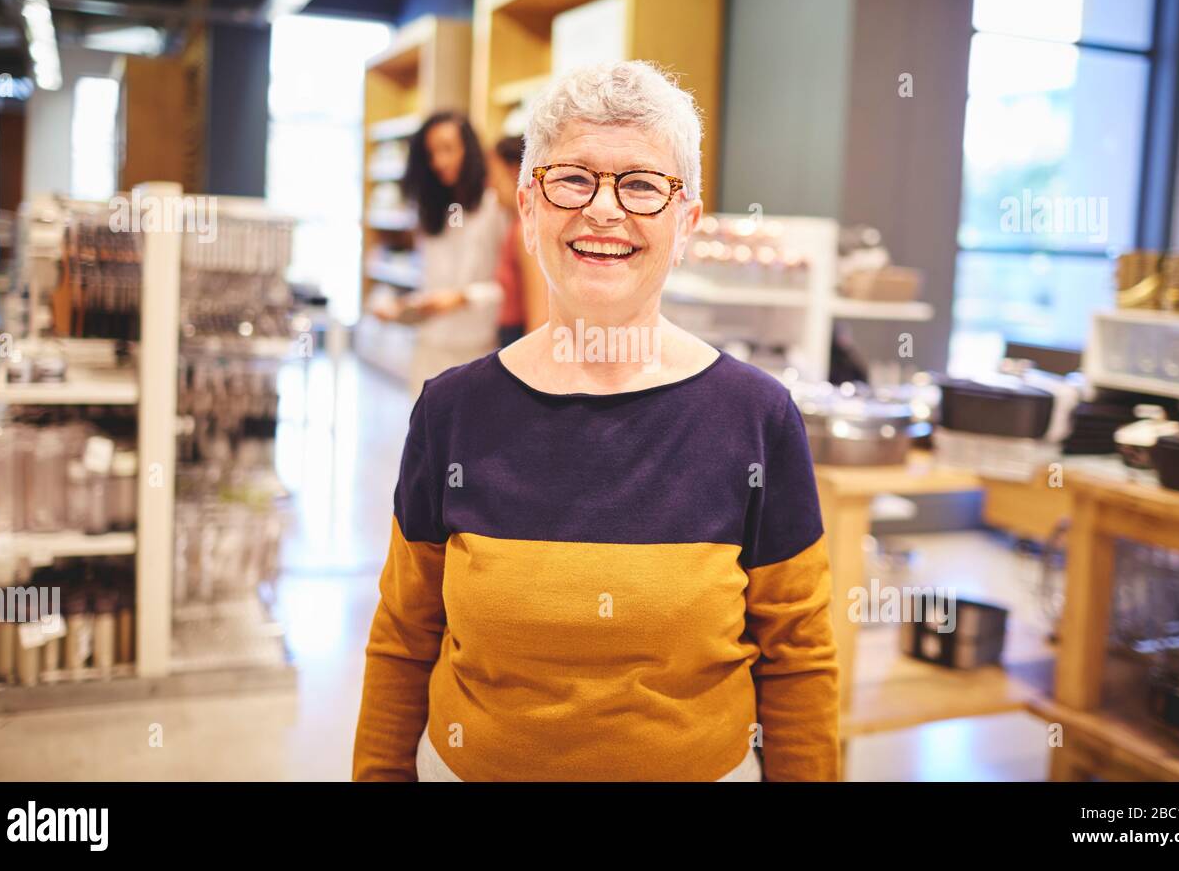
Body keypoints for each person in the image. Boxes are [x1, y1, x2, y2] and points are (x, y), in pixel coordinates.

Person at [353, 60, 839, 782]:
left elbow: (798, 658)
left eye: (642, 184)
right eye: (573, 178)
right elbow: (403, 637)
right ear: (528, 210)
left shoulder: (757, 418)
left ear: (686, 224)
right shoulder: (451, 413)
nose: (604, 209)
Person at [374, 111, 507, 397]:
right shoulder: (430, 212)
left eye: (448, 149)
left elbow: (509, 287)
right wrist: (403, 307)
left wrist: (462, 297)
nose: (439, 162)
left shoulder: (493, 208)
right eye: (431, 153)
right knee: (425, 436)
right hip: (428, 347)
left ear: (469, 151)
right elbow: (431, 284)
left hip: (477, 349)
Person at [488, 136, 530, 349]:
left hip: (519, 338)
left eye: (494, 174)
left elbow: (538, 320)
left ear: (515, 171)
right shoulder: (513, 226)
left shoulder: (525, 233)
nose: (491, 184)